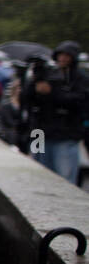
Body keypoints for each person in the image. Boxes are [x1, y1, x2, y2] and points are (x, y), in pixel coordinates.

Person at [23, 41, 87, 184]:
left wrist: (52, 93)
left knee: (64, 176)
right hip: (40, 132)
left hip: (65, 134)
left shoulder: (79, 79)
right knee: (39, 172)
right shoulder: (47, 74)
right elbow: (27, 100)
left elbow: (79, 102)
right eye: (61, 55)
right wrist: (34, 85)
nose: (63, 59)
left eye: (67, 56)